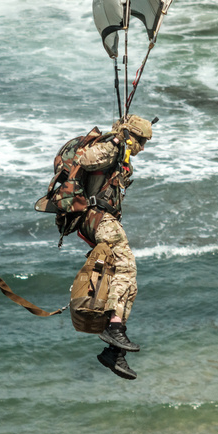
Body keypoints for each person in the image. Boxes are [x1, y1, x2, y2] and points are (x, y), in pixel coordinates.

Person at [71, 114, 153, 380]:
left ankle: (114, 350)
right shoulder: (112, 146)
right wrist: (117, 140)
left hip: (103, 219)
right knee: (127, 267)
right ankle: (113, 330)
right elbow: (85, 159)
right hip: (95, 217)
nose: (143, 146)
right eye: (141, 140)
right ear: (131, 136)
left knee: (126, 279)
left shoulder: (121, 154)